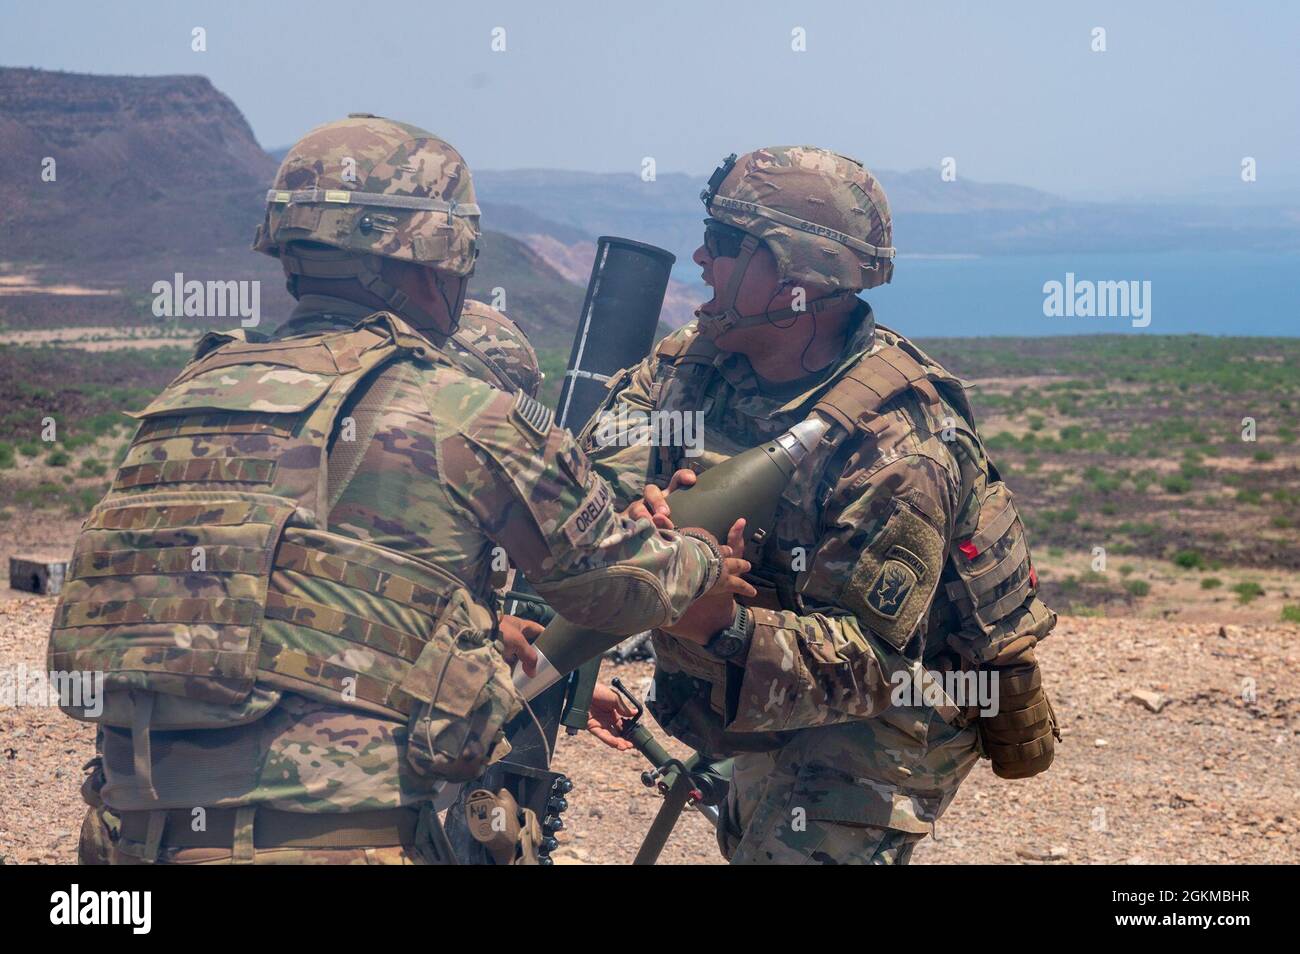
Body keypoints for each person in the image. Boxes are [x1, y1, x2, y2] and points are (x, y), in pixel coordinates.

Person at [53, 115, 749, 865]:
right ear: (437, 258)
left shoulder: (193, 392)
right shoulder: (462, 408)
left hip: (127, 848)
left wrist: (461, 632)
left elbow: (263, 587)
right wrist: (703, 561)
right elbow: (616, 583)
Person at [581, 146, 1059, 864]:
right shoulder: (691, 364)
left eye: (726, 243)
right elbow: (580, 492)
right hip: (754, 681)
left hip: (881, 720)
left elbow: (874, 664)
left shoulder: (899, 444)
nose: (700, 257)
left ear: (796, 275)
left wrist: (717, 622)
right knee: (750, 825)